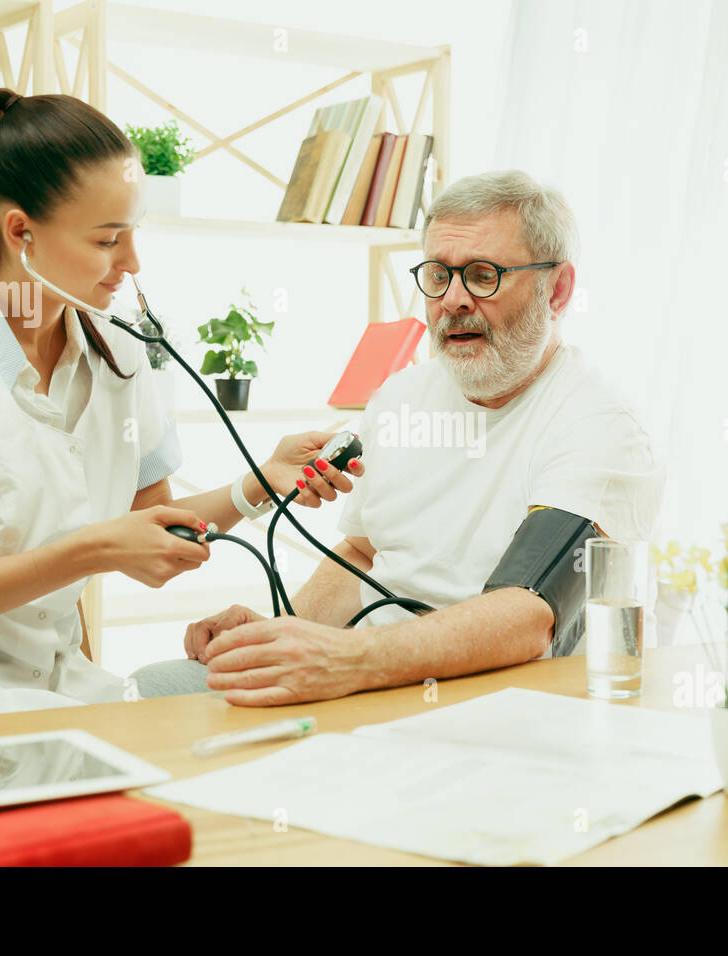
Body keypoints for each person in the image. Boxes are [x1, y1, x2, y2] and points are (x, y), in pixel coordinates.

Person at [0, 88, 358, 734]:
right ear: (21, 232)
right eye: (109, 239)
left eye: (132, 234)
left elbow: (148, 525)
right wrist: (89, 551)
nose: (132, 263)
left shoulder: (119, 357)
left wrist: (258, 484)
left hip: (55, 694)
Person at [131, 170, 663, 705]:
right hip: (373, 675)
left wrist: (348, 660)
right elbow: (364, 553)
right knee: (151, 694)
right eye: (438, 274)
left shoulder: (598, 427)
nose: (453, 300)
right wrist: (281, 632)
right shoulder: (401, 398)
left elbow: (529, 611)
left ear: (559, 289)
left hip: (496, 699)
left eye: (483, 275)